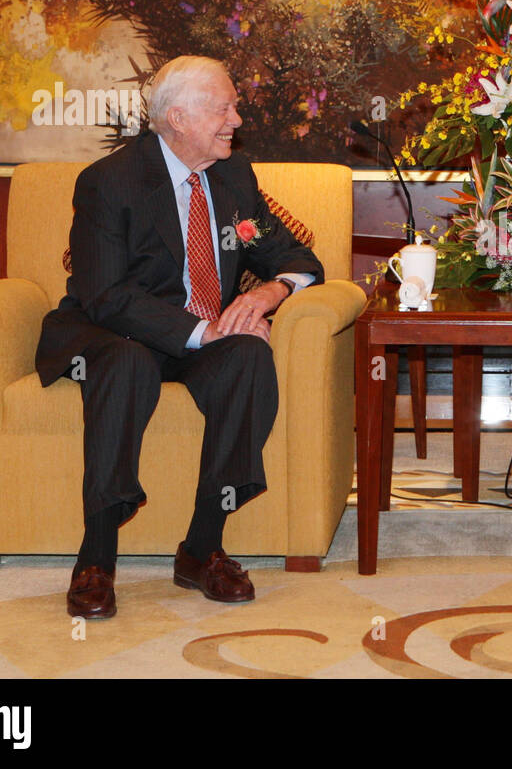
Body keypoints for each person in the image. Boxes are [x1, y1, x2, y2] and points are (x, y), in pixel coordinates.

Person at [35, 55, 324, 620]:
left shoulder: (234, 177)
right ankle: (95, 558)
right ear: (177, 118)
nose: (236, 119)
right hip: (116, 333)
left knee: (248, 356)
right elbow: (105, 295)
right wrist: (201, 329)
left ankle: (201, 549)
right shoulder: (108, 182)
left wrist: (268, 294)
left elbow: (293, 254)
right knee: (127, 363)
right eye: (225, 108)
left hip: (199, 338)